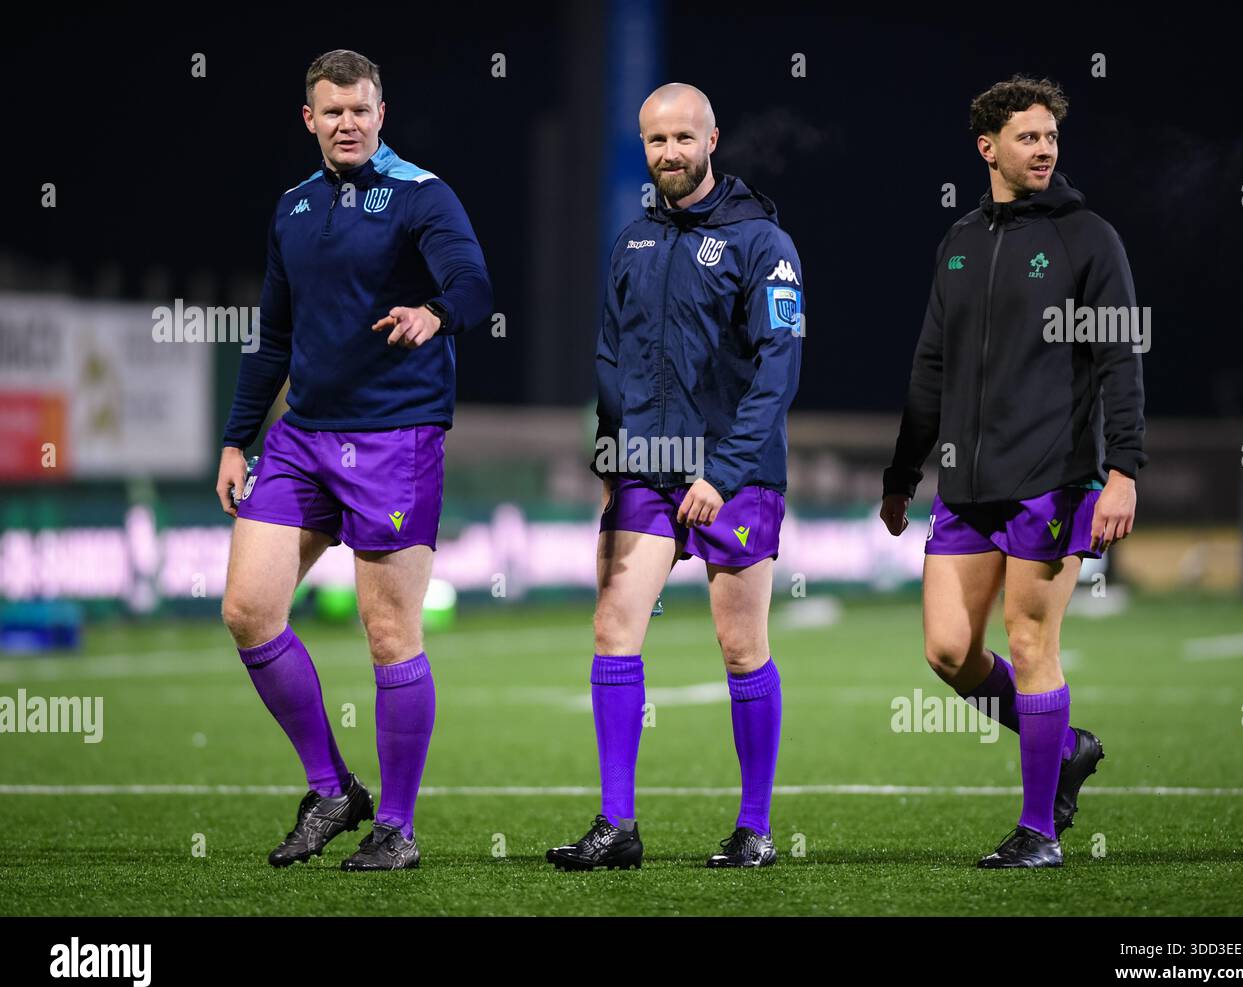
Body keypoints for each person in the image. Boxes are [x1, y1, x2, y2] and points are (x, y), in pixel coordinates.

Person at [216, 49, 491, 871]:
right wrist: (237, 438)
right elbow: (273, 340)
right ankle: (331, 787)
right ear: (310, 119)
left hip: (394, 438)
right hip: (301, 438)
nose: (346, 123)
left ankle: (397, 828)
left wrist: (435, 313)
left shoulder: (421, 195)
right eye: (331, 111)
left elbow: (475, 285)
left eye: (360, 109)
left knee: (388, 631)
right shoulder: (293, 207)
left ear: (381, 114)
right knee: (248, 609)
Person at [880, 75, 1144, 868]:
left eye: (1051, 137)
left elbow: (1119, 359)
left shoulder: (1088, 236)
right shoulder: (958, 242)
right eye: (1028, 136)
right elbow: (931, 364)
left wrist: (1124, 469)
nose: (1044, 149)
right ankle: (1064, 746)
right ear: (986, 147)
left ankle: (1039, 830)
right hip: (965, 487)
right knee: (949, 651)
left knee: (1031, 643)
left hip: (1051, 476)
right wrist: (902, 472)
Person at [546, 83, 803, 870]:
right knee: (613, 628)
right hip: (646, 475)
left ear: (713, 138)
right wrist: (611, 456)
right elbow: (610, 361)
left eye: (683, 139)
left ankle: (754, 827)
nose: (669, 154)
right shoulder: (631, 243)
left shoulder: (764, 244)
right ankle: (616, 824)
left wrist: (722, 474)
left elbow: (778, 370)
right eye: (655, 141)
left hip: (736, 472)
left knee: (739, 646)